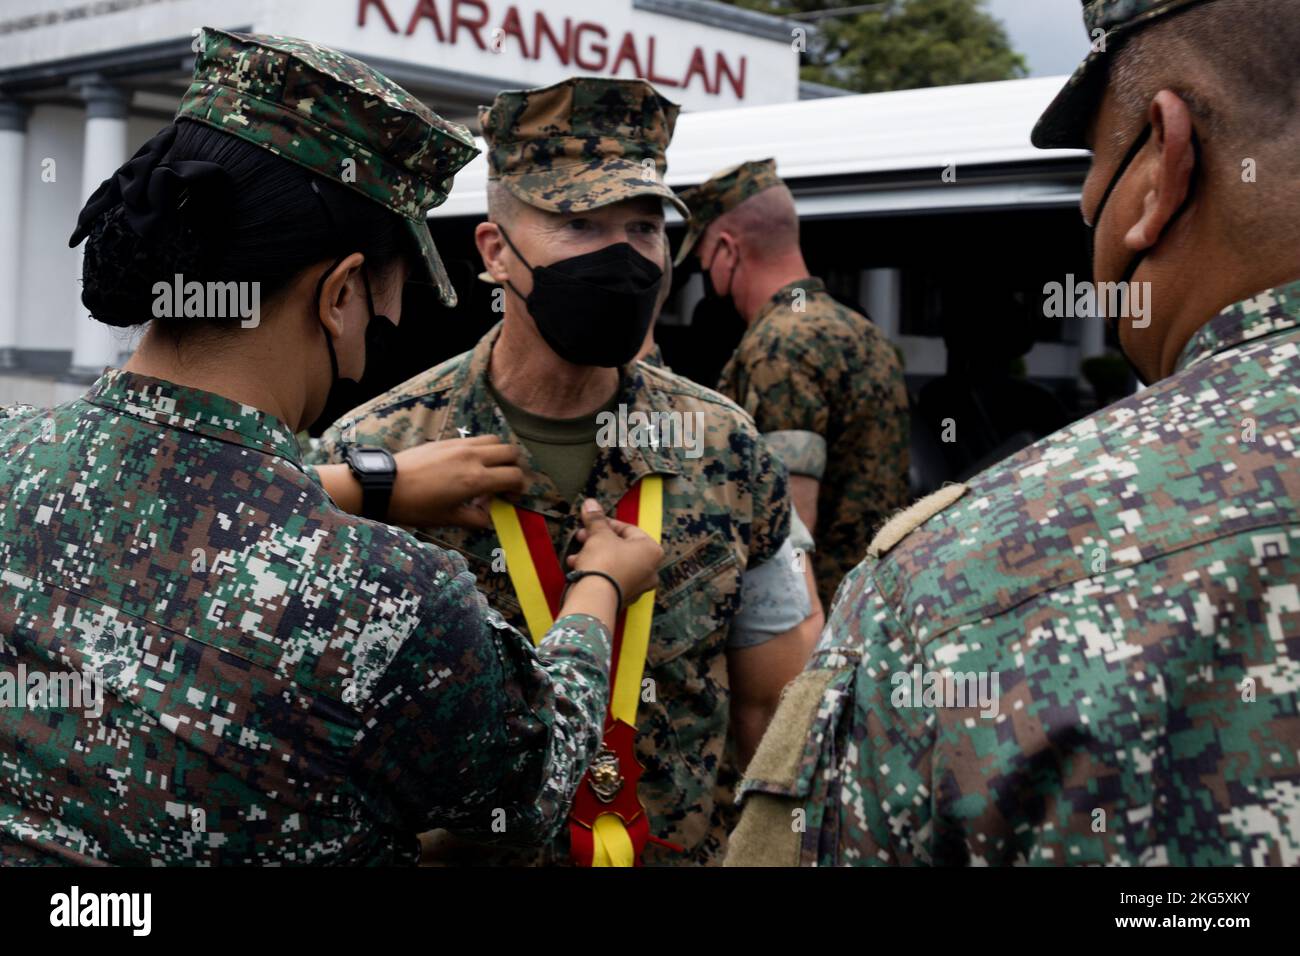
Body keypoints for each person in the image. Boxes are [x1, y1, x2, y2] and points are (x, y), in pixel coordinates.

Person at [0, 27, 662, 866]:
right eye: (390, 290)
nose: (388, 320)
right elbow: (536, 781)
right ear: (341, 291)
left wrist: (362, 484)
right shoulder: (393, 596)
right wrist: (600, 585)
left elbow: (167, 494)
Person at [727, 0, 1300, 866]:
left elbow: (790, 540)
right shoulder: (885, 359)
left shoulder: (951, 589)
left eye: (1096, 165)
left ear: (1161, 164)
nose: (1085, 205)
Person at [312, 76, 821, 866]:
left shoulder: (725, 446)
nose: (623, 257)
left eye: (644, 227)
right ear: (494, 253)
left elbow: (777, 714)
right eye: (579, 223)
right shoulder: (379, 451)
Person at [675, 159, 910, 609]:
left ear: (727, 250)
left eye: (704, 260)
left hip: (817, 620)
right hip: (874, 602)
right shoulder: (862, 331)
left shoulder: (778, 346)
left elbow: (790, 534)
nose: (706, 276)